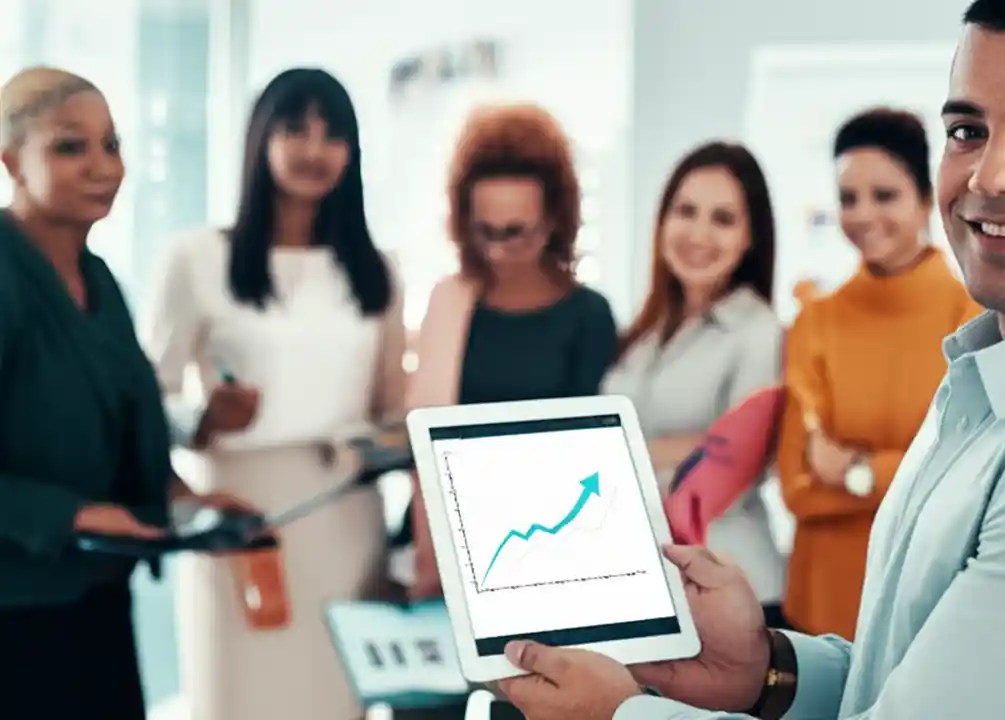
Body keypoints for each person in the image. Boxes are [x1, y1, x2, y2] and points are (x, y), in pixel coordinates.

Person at [490, 1, 1005, 718]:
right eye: (968, 130)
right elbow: (916, 678)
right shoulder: (999, 372)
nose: (990, 175)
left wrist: (619, 717)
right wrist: (768, 669)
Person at [147, 68, 405, 720]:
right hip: (241, 513)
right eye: (295, 129)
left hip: (346, 513)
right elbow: (144, 401)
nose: (314, 150)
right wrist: (201, 420)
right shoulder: (196, 256)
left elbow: (391, 407)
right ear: (261, 137)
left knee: (333, 699)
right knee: (238, 697)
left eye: (333, 133)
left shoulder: (380, 270)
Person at [0, 67, 252, 719]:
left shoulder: (100, 280)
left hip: (98, 599)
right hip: (18, 611)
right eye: (69, 145)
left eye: (111, 144)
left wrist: (180, 498)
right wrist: (71, 515)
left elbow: (118, 418)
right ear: (11, 161)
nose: (102, 166)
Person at [778, 108, 982, 638]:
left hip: (928, 609)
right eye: (848, 197)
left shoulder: (974, 320)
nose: (863, 214)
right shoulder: (816, 320)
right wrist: (903, 470)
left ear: (924, 198)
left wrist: (852, 470)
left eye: (884, 195)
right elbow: (798, 486)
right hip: (817, 612)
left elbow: (965, 479)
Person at [400, 102, 617, 599]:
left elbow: (589, 457)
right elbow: (423, 447)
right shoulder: (450, 300)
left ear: (554, 221)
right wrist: (427, 562)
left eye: (515, 233)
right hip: (453, 547)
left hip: (551, 550)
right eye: (485, 232)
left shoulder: (589, 315)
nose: (497, 250)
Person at [602, 141, 787, 626]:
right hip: (648, 582)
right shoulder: (642, 335)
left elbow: (736, 458)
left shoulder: (758, 331)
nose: (699, 233)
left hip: (731, 586)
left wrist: (614, 451)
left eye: (723, 219)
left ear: (750, 237)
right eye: (686, 211)